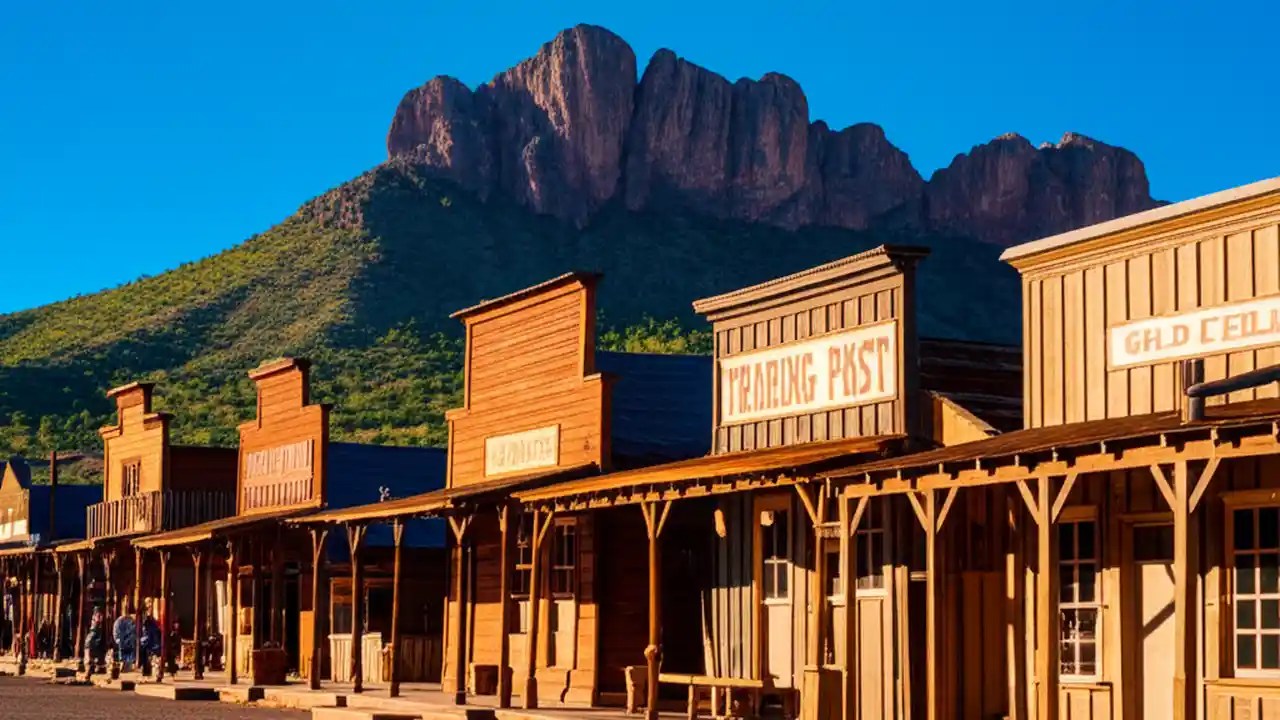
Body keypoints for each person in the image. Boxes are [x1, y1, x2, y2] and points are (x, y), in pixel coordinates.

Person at [112, 600, 137, 672]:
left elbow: (134, 630)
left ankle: (128, 666)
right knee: (123, 654)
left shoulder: (131, 620)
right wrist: (117, 639)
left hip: (129, 642)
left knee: (129, 654)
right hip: (122, 642)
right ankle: (124, 665)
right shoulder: (119, 620)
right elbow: (116, 630)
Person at [138, 605, 160, 677]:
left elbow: (151, 632)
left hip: (148, 641)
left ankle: (147, 671)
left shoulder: (150, 622)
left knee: (147, 658)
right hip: (147, 641)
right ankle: (146, 671)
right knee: (146, 658)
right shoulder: (148, 621)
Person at [83, 609, 107, 675]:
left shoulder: (98, 626)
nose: (101, 617)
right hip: (90, 643)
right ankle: (88, 672)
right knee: (89, 659)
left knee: (92, 658)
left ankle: (91, 670)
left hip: (92, 643)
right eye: (99, 616)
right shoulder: (95, 625)